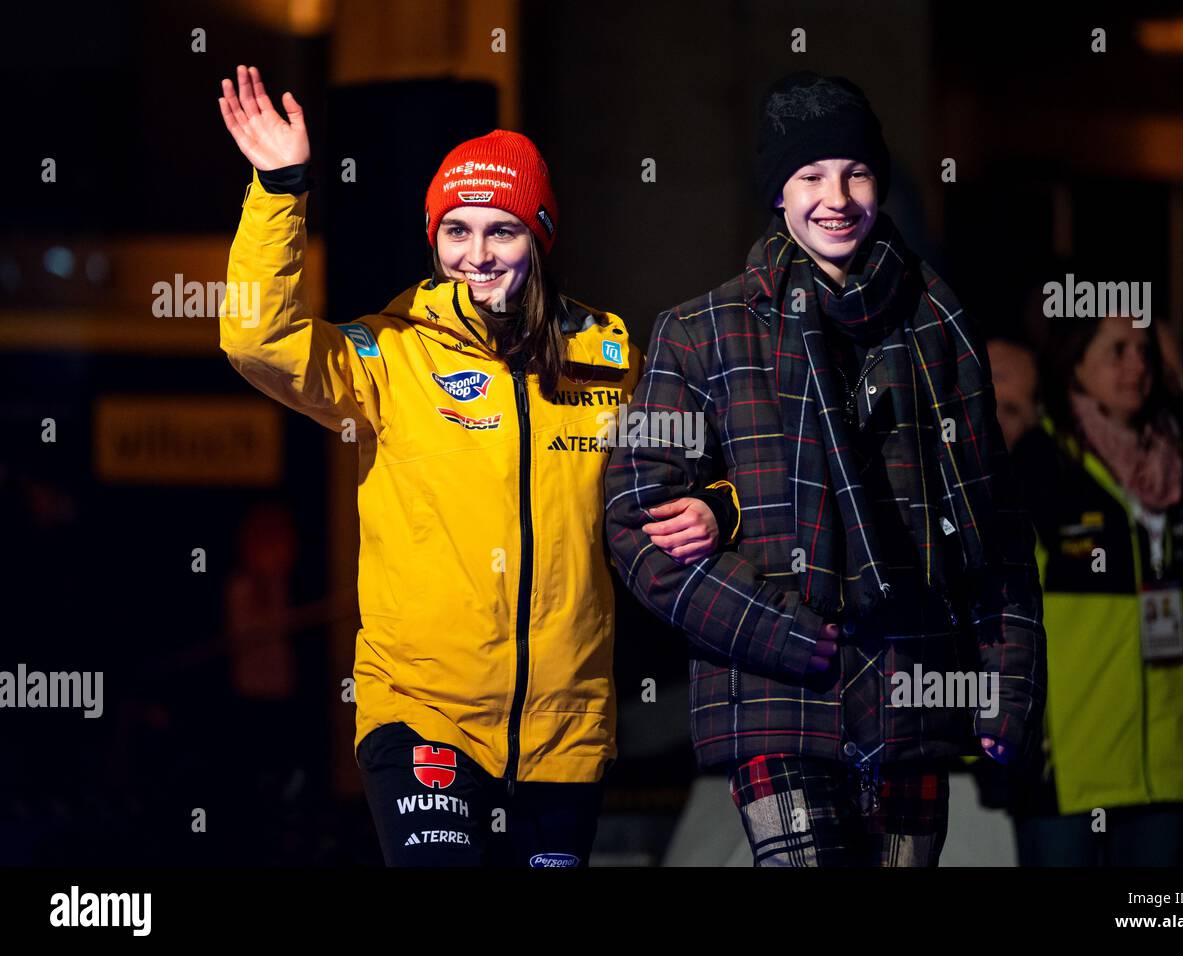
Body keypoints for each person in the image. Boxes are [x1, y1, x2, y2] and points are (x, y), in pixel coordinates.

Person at [215, 65, 732, 866]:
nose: (477, 255)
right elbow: (258, 342)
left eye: (503, 230)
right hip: (424, 716)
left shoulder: (609, 356)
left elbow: (713, 459)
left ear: (542, 236)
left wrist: (717, 510)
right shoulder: (388, 355)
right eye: (456, 230)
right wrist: (279, 188)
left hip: (564, 733)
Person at [605, 71, 1046, 867]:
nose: (835, 196)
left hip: (915, 684)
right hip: (776, 692)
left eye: (856, 172)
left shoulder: (939, 325)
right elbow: (638, 524)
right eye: (809, 175)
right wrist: (783, 633)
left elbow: (998, 527)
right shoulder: (700, 333)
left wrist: (1007, 684)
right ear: (777, 192)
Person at [1008, 315, 1183, 866]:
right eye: (1117, 350)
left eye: (1145, 351)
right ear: (1076, 362)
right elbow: (1007, 611)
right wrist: (1012, 730)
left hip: (1167, 768)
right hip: (1069, 770)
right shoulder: (1040, 463)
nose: (1138, 366)